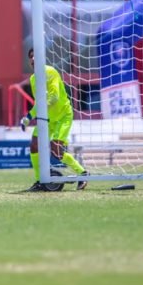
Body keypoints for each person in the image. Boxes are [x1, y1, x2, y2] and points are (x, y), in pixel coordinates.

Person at [19, 48, 88, 191]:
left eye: (35, 56)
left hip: (63, 116)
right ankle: (39, 181)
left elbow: (54, 97)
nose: (33, 59)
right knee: (34, 145)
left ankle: (83, 173)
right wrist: (28, 118)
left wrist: (38, 110)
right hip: (47, 118)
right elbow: (39, 103)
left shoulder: (50, 72)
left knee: (57, 151)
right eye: (30, 57)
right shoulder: (33, 79)